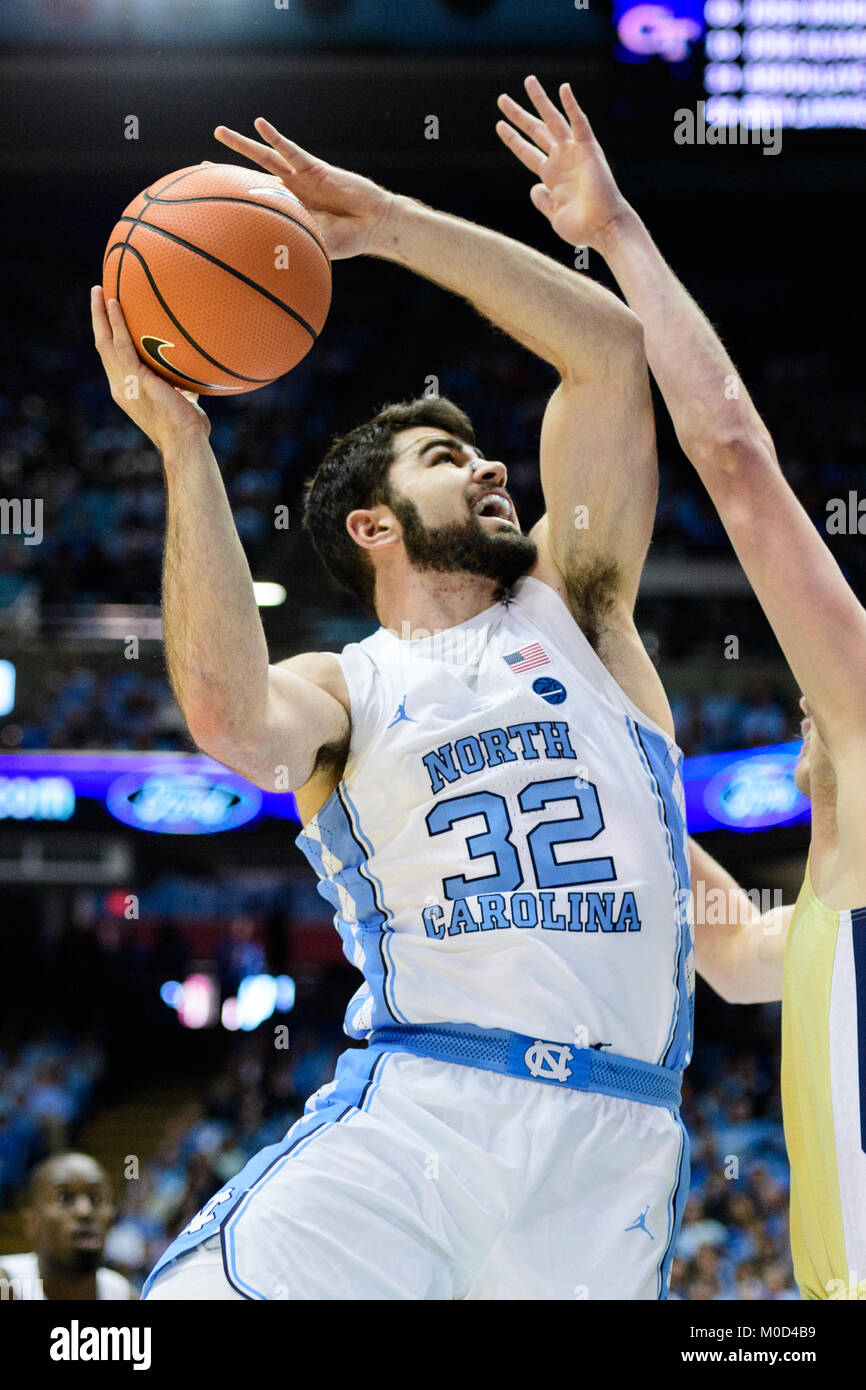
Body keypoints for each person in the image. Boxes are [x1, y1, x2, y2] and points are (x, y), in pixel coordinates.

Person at [93, 82, 693, 1301]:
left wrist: (387, 225)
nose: (485, 463)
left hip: (617, 1149)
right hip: (425, 1113)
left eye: (482, 450)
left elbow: (611, 352)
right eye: (443, 456)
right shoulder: (349, 686)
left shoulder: (581, 613)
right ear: (372, 524)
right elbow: (231, 722)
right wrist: (185, 449)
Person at [496, 76, 866, 1300]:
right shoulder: (815, 913)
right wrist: (575, 650)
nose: (802, 707)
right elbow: (723, 950)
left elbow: (737, 462)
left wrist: (616, 234)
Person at [1, 1152, 134, 1300]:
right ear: (31, 1222)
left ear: (111, 1219)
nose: (85, 1211)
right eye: (64, 1198)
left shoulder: (123, 1292)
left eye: (96, 1198)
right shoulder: (5, 1284)